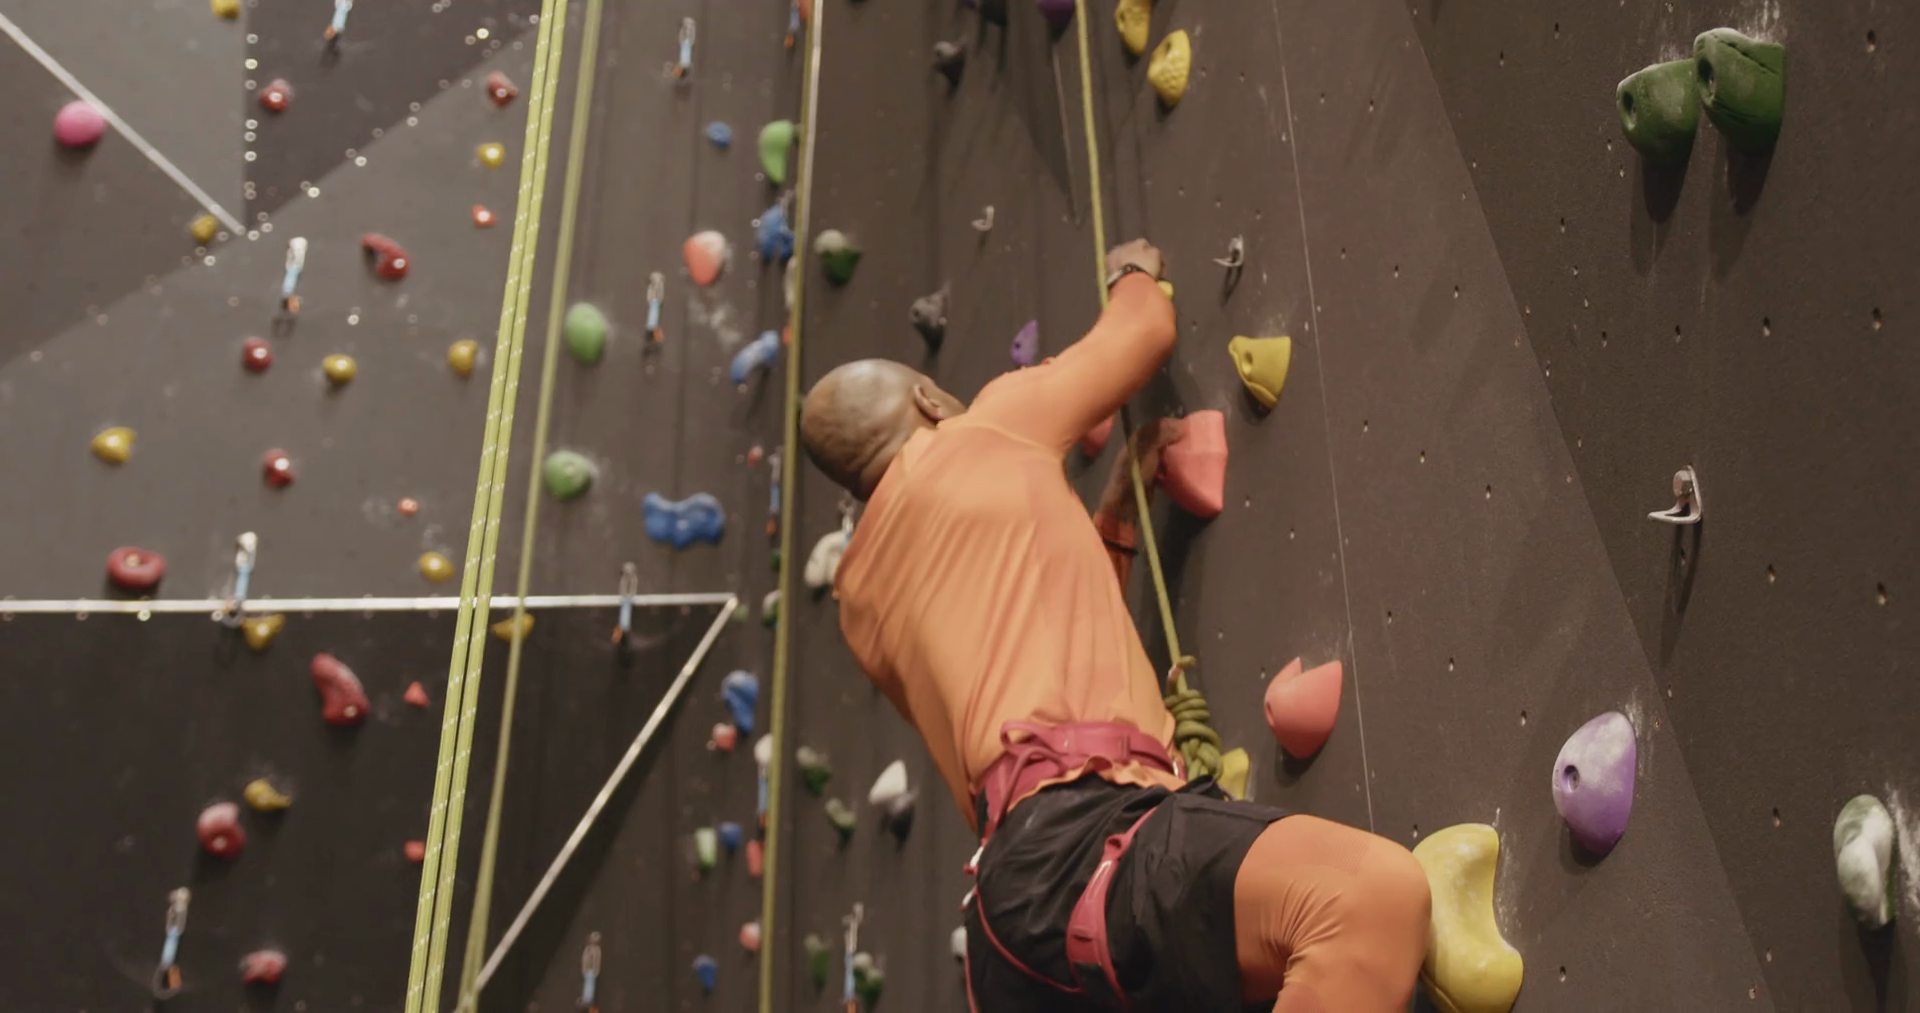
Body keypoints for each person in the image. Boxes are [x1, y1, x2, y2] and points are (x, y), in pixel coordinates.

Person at [800, 239, 1432, 1012]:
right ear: (931, 401)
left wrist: (1115, 524)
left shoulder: (862, 607)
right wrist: (1132, 271)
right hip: (1085, 839)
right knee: (1362, 903)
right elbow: (1141, 333)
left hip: (1014, 930)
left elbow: (1022, 665)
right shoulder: (981, 429)